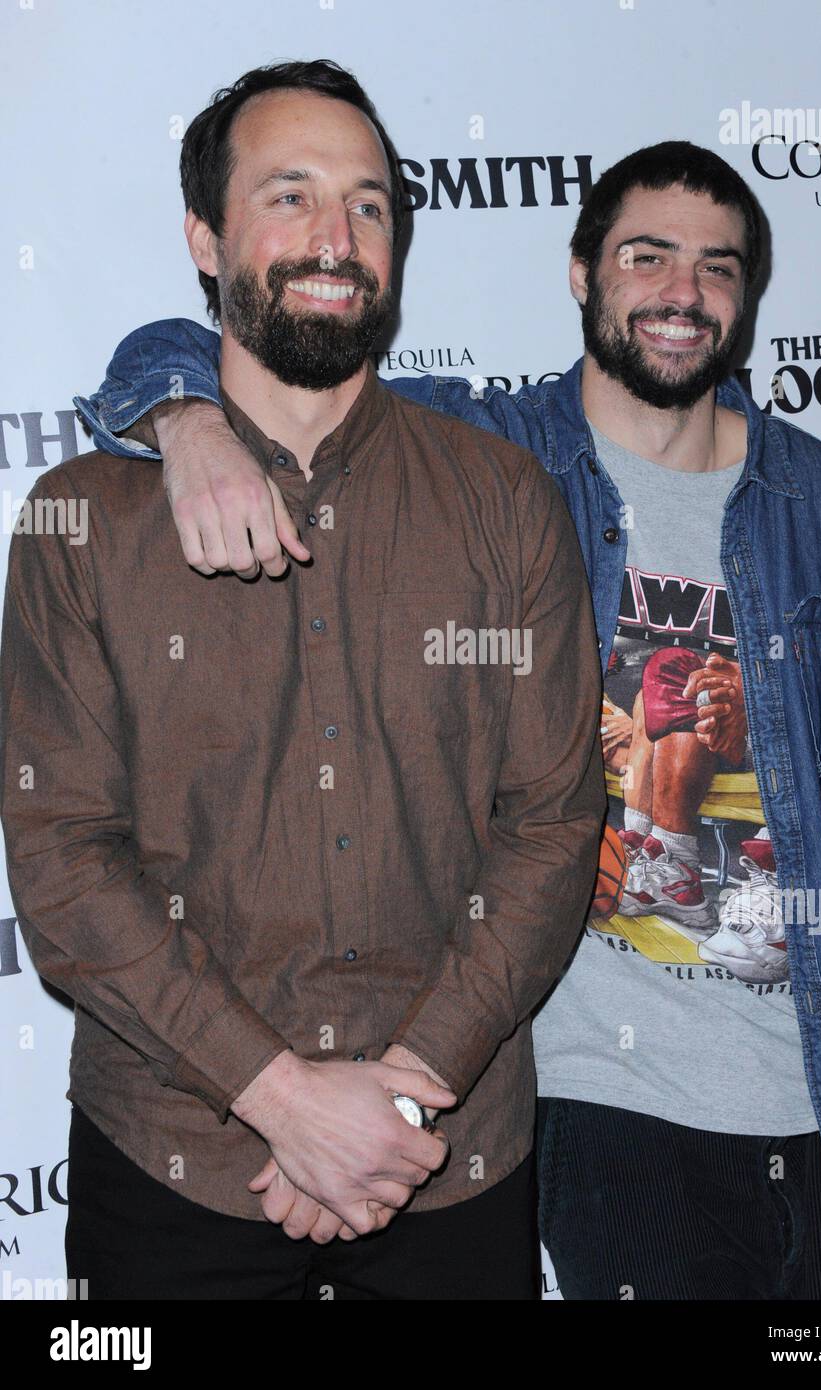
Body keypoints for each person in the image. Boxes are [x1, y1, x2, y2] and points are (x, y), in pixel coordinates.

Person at [75, 136, 821, 1300]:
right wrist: (184, 422)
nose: (680, 294)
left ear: (746, 299)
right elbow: (240, 353)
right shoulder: (484, 454)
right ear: (581, 273)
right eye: (645, 257)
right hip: (611, 1107)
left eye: (715, 266)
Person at [0, 60, 607, 1302]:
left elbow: (550, 825)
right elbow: (61, 854)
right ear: (205, 239)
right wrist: (278, 1095)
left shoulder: (503, 502)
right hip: (169, 1172)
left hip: (448, 1159)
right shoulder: (77, 521)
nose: (337, 238)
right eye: (291, 196)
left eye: (370, 204)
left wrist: (388, 1092)